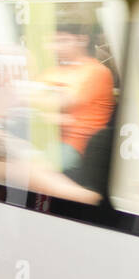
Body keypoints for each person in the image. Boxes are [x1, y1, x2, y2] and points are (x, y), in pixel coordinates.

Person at [36, 19, 114, 177]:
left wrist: (46, 106)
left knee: (37, 171)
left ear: (82, 40)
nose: (56, 47)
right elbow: (27, 99)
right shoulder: (51, 71)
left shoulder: (96, 72)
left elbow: (64, 102)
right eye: (52, 41)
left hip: (75, 146)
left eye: (63, 40)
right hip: (44, 140)